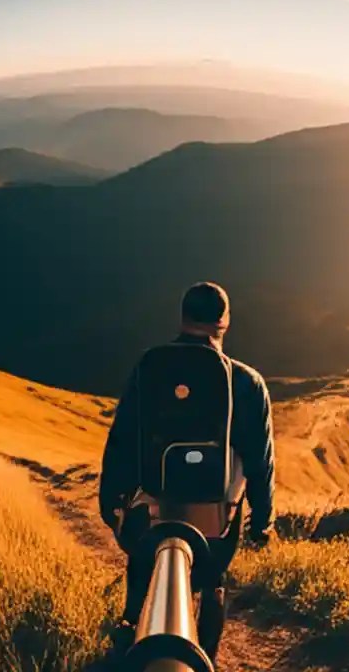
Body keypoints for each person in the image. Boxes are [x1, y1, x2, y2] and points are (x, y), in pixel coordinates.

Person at [98, 281, 275, 662]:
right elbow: (260, 461)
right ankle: (203, 657)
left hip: (154, 505)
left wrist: (111, 503)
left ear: (182, 317)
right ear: (224, 322)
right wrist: (263, 522)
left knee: (144, 565)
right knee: (212, 583)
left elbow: (123, 438)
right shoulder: (247, 382)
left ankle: (131, 627)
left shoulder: (149, 366)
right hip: (216, 515)